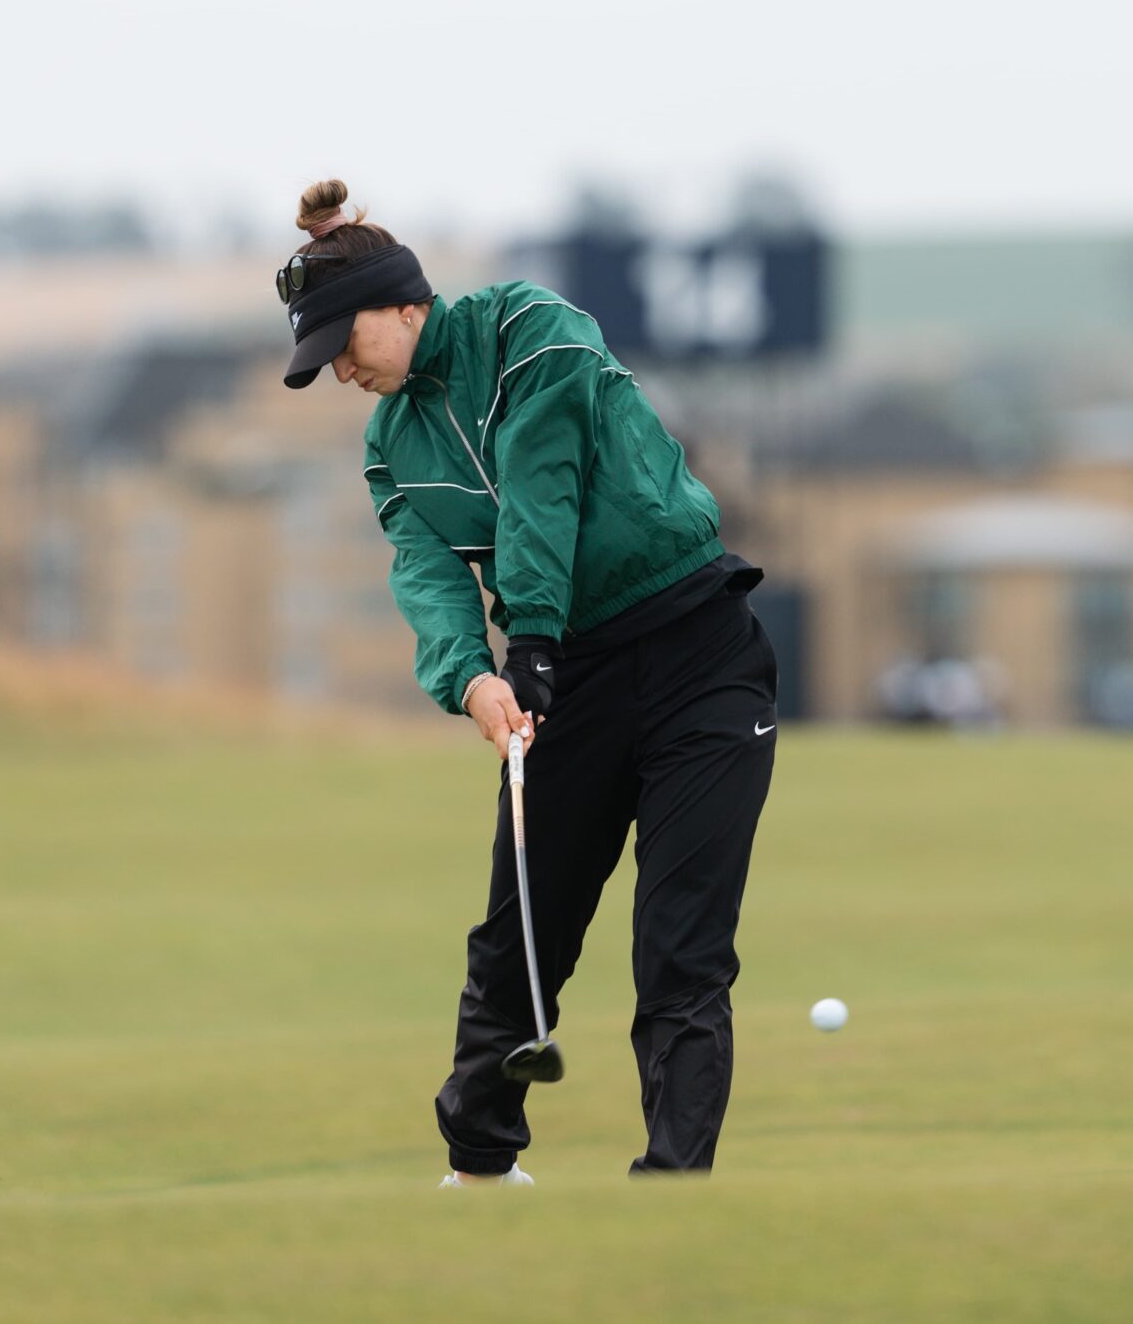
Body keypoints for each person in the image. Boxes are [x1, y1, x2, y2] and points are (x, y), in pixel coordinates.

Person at [278, 179, 779, 1183]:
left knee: (681, 947)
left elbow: (540, 481)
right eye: (321, 351)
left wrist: (531, 644)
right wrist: (470, 681)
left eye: (344, 339)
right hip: (569, 680)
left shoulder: (530, 327)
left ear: (405, 304)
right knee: (520, 935)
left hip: (697, 653)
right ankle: (477, 1166)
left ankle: (673, 1188)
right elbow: (426, 570)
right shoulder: (390, 446)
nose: (337, 366)